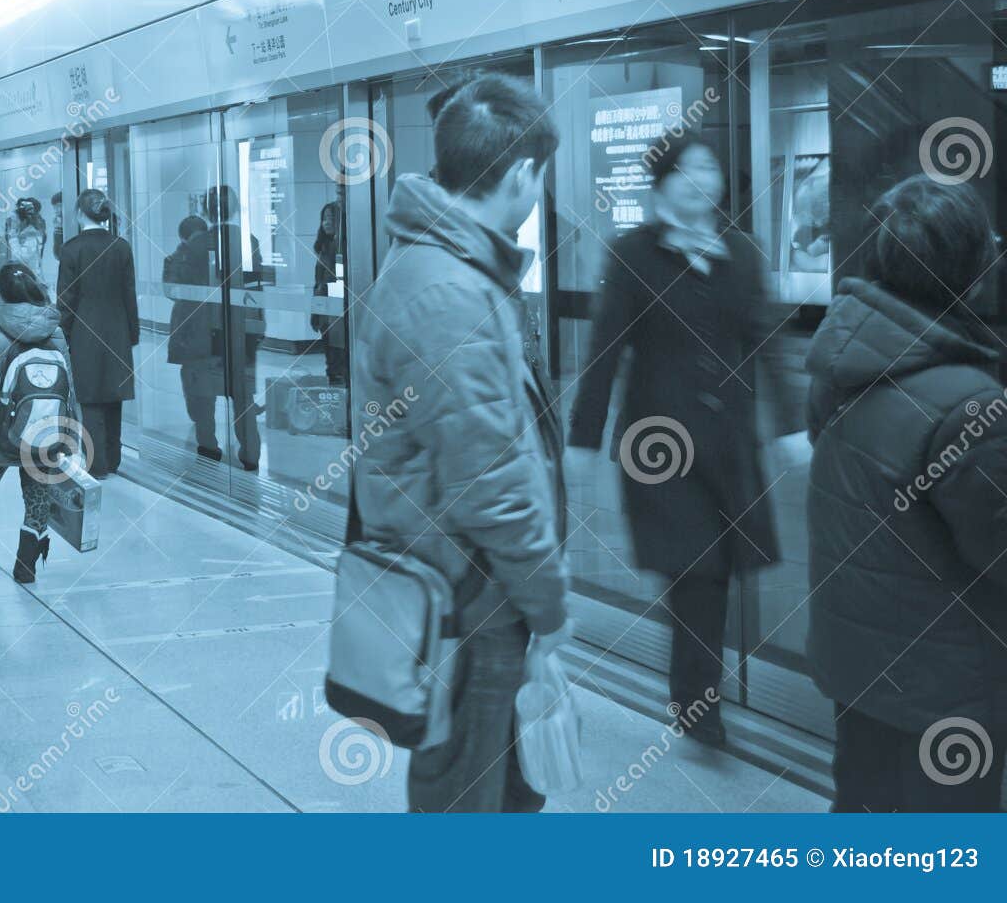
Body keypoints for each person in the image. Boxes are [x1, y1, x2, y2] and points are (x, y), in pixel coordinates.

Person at [351, 73, 570, 813]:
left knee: (488, 790)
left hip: (463, 584)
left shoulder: (447, 266)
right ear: (519, 174)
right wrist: (548, 605)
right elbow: (493, 481)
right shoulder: (449, 292)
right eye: (539, 178)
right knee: (467, 799)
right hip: (471, 598)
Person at [566, 134, 779, 747]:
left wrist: (790, 427)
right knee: (697, 571)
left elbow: (764, 342)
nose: (700, 180)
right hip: (660, 449)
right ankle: (697, 706)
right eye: (686, 171)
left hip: (730, 445)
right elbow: (606, 349)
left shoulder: (741, 252)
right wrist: (584, 434)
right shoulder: (633, 253)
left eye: (709, 168)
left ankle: (696, 697)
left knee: (723, 568)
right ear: (661, 184)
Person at [805, 176, 1007, 811]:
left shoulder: (838, 369)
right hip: (945, 691)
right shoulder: (971, 407)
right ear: (968, 270)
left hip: (858, 671)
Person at [0, 262, 77, 586]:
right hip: (43, 432)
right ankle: (27, 566)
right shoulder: (55, 328)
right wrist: (69, 433)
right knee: (37, 498)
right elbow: (67, 387)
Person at [172, 186, 264, 471]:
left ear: (207, 211)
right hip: (240, 331)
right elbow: (255, 288)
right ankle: (250, 454)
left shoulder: (195, 245)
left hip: (204, 334)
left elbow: (180, 290)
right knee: (243, 396)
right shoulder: (249, 241)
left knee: (204, 395)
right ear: (235, 208)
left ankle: (208, 447)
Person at [57, 188, 139, 478]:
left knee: (89, 396)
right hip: (117, 329)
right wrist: (133, 332)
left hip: (84, 331)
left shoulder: (72, 249)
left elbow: (66, 299)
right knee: (113, 395)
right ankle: (114, 459)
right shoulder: (121, 246)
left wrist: (62, 334)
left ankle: (97, 463)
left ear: (80, 213)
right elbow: (130, 294)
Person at [311, 200, 347, 386]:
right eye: (324, 218)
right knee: (332, 361)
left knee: (337, 363)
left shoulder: (340, 248)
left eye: (331, 219)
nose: (326, 223)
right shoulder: (325, 247)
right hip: (327, 312)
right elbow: (319, 283)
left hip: (337, 313)